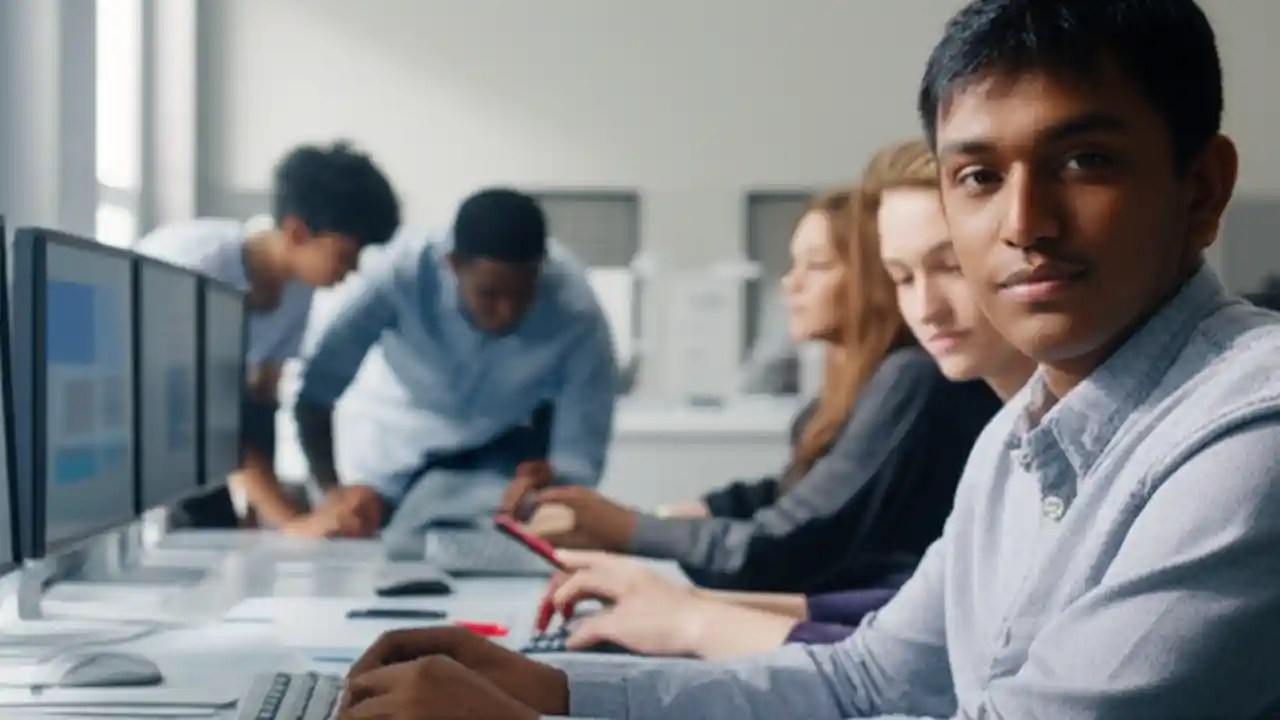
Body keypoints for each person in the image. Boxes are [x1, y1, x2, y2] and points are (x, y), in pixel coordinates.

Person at [337, 0, 1280, 717]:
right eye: (980, 177)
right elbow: (864, 678)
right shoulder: (1016, 441)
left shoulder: (1251, 428)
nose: (1024, 225)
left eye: (1083, 162)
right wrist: (557, 687)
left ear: (1202, 191)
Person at [534, 141, 1036, 659]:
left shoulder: (922, 381)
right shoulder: (1003, 435)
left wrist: (676, 592)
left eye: (950, 266)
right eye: (903, 276)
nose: (926, 306)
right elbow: (905, 616)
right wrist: (688, 601)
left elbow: (799, 556)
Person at [294, 188, 617, 535]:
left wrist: (553, 482)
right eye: (490, 294)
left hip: (499, 456)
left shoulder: (576, 311)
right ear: (452, 266)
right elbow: (316, 393)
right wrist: (333, 493)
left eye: (522, 294)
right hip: (396, 447)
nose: (507, 312)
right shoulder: (399, 273)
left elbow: (578, 454)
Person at [135, 141, 400, 538]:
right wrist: (292, 521)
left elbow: (260, 400)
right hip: (141, 421)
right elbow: (200, 417)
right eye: (345, 255)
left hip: (196, 431)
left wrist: (269, 508)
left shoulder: (298, 288)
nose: (352, 270)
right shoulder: (193, 268)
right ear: (297, 232)